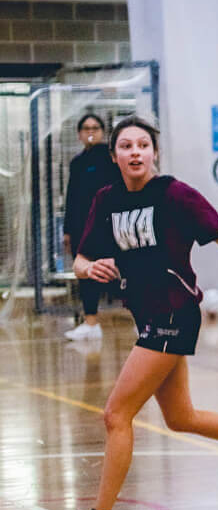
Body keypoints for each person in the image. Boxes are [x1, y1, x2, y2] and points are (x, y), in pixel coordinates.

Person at [50, 114, 218, 510]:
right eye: (126, 146)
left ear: (155, 152)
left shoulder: (175, 195)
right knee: (181, 417)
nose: (135, 153)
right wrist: (92, 267)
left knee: (115, 414)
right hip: (145, 316)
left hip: (175, 313)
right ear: (115, 156)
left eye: (143, 145)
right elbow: (80, 261)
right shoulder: (107, 200)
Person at [61, 113, 121, 342]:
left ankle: (142, 320)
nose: (90, 132)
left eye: (95, 128)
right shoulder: (77, 163)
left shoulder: (111, 159)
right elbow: (71, 197)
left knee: (121, 273)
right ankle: (91, 323)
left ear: (103, 132)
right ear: (79, 134)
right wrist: (67, 230)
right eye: (86, 128)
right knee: (86, 274)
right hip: (81, 228)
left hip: (108, 227)